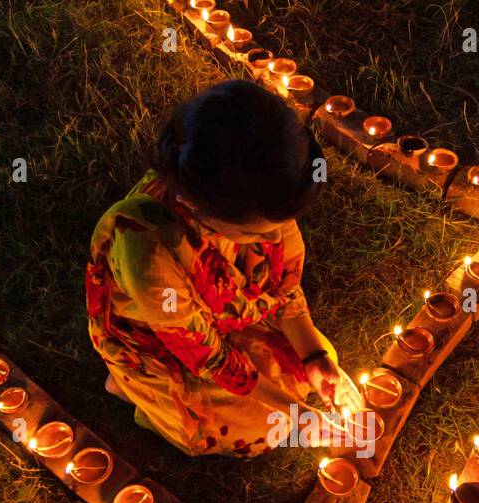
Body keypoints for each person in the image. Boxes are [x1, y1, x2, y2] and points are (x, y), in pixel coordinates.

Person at [85, 79, 358, 457]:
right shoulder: (150, 252)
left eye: (282, 224)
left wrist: (315, 357)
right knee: (253, 428)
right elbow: (212, 358)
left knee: (311, 368)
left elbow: (284, 292)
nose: (278, 241)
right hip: (162, 339)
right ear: (197, 206)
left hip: (227, 317)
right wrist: (297, 417)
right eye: (255, 232)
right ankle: (137, 392)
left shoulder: (259, 194)